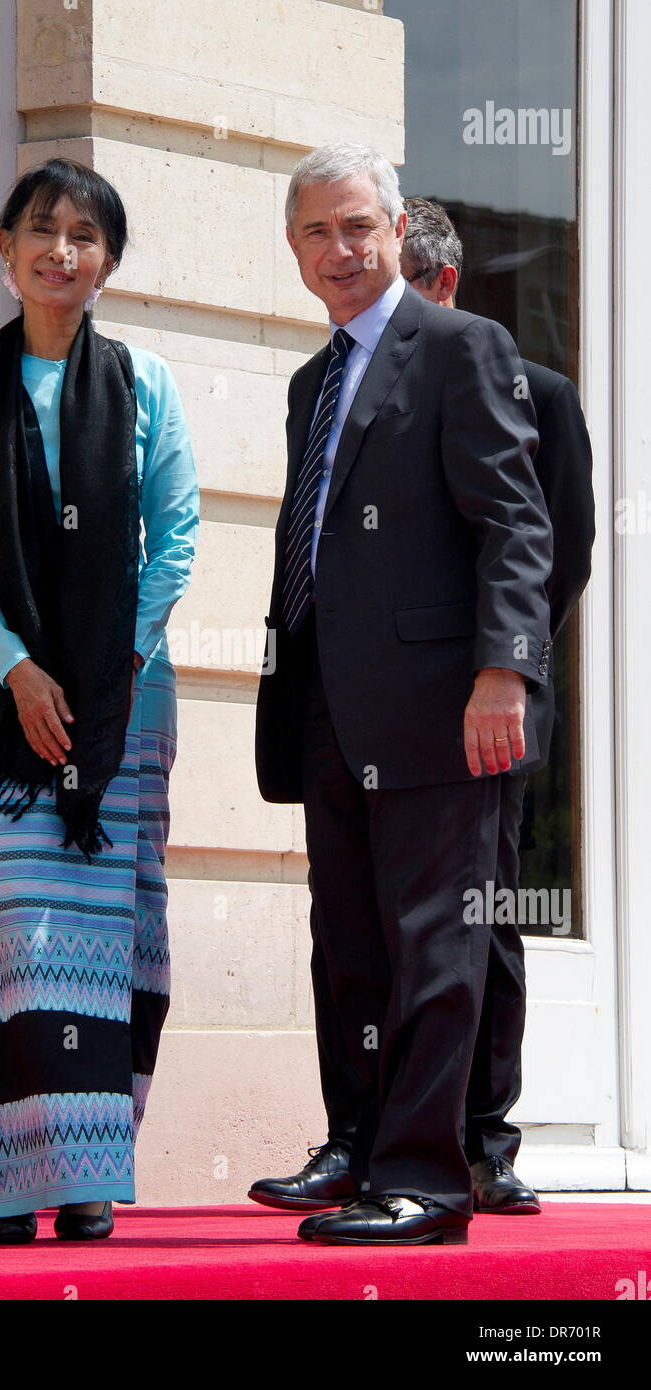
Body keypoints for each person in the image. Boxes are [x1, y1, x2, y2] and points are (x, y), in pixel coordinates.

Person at [249, 195, 594, 1222]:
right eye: (313, 232)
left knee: (437, 941)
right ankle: (356, 1145)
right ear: (292, 250)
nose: (338, 249)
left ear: (396, 228)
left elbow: (519, 528)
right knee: (348, 942)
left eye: (355, 225)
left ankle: (424, 1176)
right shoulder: (312, 380)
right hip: (327, 704)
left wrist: (506, 672)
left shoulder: (461, 346)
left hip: (443, 707)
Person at [0, 158, 199, 1245]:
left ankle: (88, 1169)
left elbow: (174, 541)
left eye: (84, 236)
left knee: (111, 935)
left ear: (109, 262)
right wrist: (22, 669)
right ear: (4, 251)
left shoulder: (150, 383)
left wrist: (103, 671)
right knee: (14, 939)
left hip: (124, 703)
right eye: (40, 231)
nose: (60, 251)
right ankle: (3, 1174)